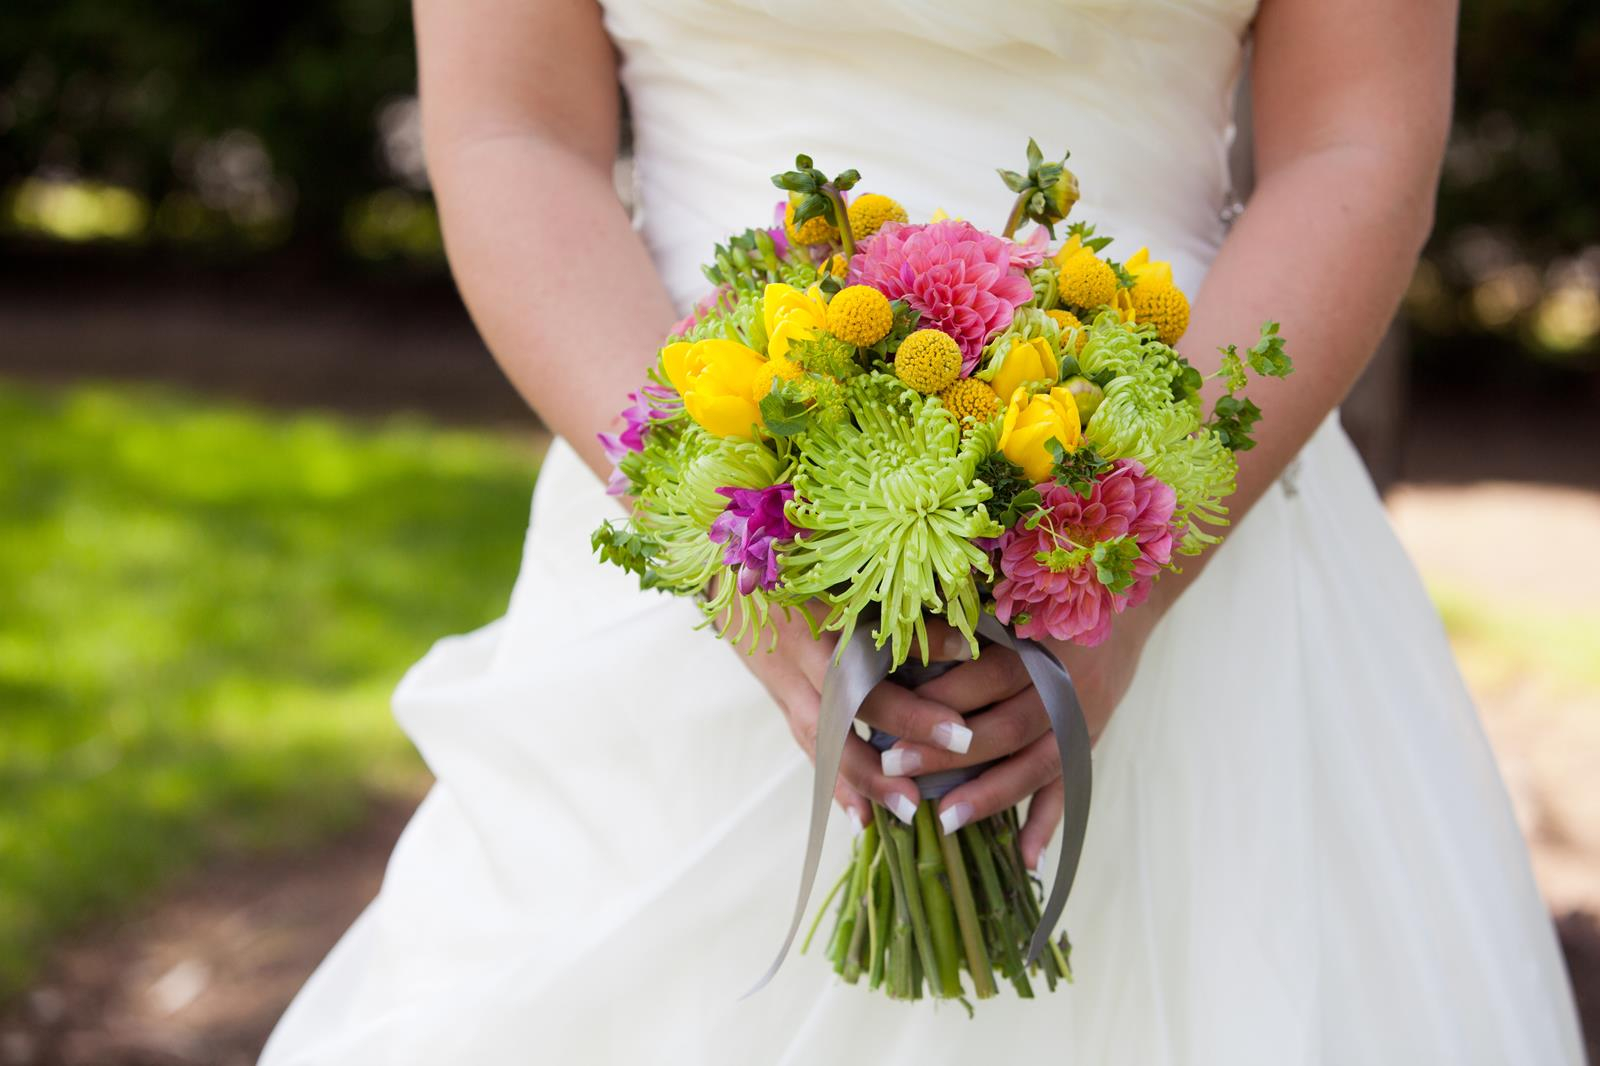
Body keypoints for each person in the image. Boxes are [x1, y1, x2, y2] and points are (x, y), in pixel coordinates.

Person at [260, 0, 1586, 1061]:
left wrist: (1122, 576)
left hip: (1180, 496)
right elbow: (508, 133)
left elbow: (1357, 142)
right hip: (691, 470)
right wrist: (726, 542)